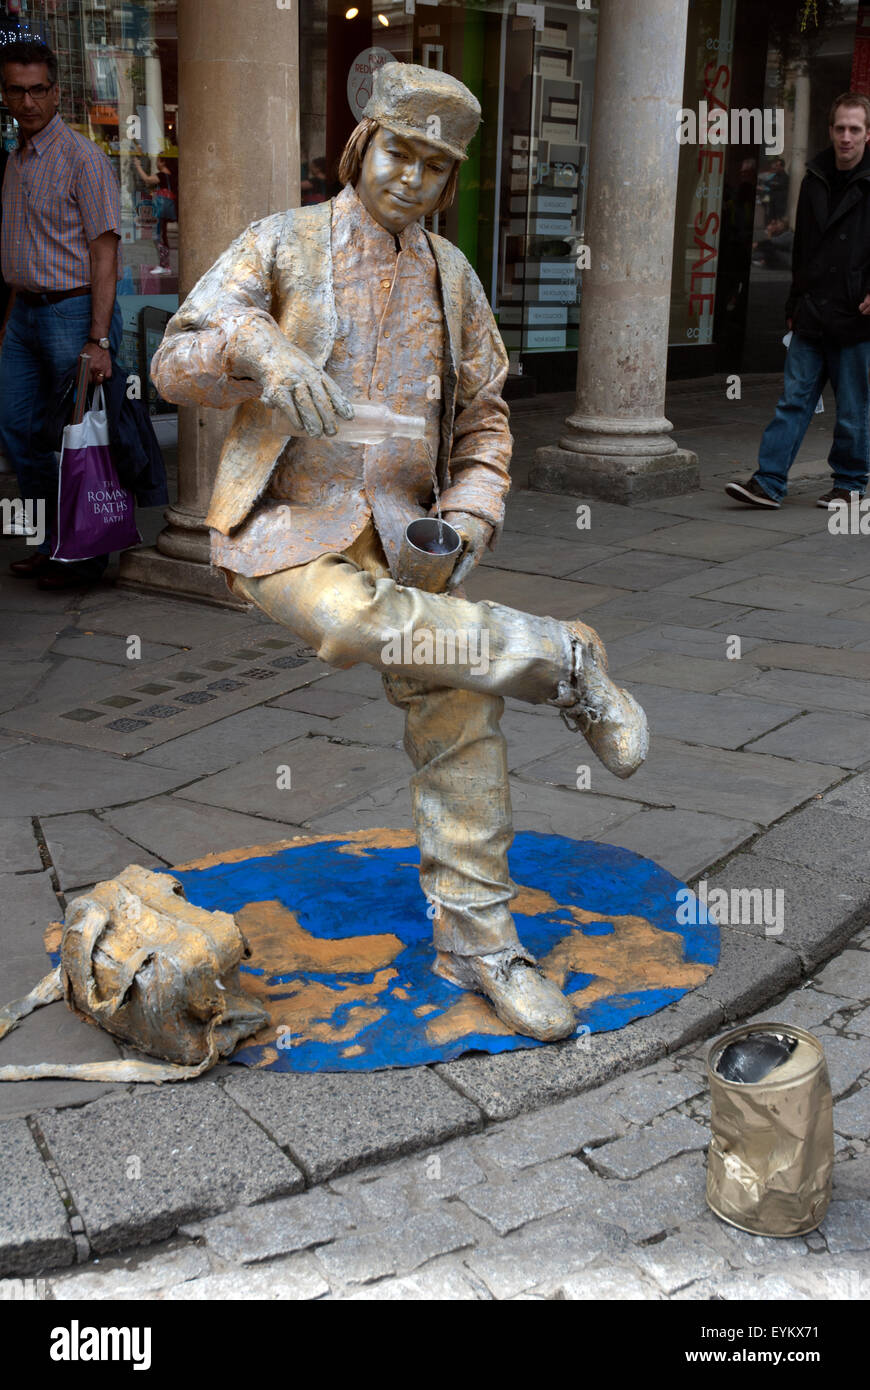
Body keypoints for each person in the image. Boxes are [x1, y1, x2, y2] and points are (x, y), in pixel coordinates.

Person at [151, 63, 648, 1043]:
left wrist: (466, 518)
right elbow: (173, 361)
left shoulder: (453, 279)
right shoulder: (280, 245)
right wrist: (261, 350)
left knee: (460, 711)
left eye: (435, 166)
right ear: (360, 145)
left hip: (413, 544)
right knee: (344, 621)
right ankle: (562, 656)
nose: (412, 179)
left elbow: (488, 427)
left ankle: (479, 942)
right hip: (286, 530)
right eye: (398, 153)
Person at [0, 38, 123, 588]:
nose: (27, 102)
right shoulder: (15, 161)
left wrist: (99, 340)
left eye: (37, 90)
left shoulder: (83, 159)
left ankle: (86, 553)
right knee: (20, 434)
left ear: (56, 93)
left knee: (79, 438)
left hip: (74, 314)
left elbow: (105, 254)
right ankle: (49, 544)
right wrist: (10, 318)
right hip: (23, 316)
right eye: (15, 91)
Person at [727, 92, 870, 511]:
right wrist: (793, 304)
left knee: (853, 408)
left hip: (856, 315)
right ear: (830, 131)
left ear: (867, 134)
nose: (846, 137)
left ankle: (850, 485)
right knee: (793, 400)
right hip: (812, 310)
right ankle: (768, 482)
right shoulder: (813, 178)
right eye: (840, 128)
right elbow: (804, 247)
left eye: (855, 129)